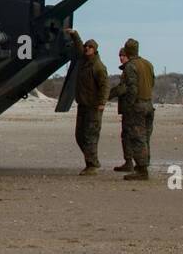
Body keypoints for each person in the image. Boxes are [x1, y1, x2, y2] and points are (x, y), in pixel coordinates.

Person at [109, 38, 155, 182]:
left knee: (137, 138)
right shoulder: (147, 64)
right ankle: (142, 166)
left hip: (137, 107)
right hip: (148, 104)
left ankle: (142, 170)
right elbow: (152, 82)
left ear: (127, 50)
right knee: (145, 137)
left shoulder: (130, 66)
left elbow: (132, 89)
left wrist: (129, 106)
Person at [64, 28, 109, 174]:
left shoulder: (99, 67)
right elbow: (78, 46)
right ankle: (92, 161)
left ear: (95, 50)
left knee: (90, 136)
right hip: (83, 105)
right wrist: (74, 34)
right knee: (80, 136)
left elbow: (105, 86)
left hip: (93, 107)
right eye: (86, 47)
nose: (87, 49)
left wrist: (102, 102)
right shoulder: (83, 60)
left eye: (90, 47)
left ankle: (92, 165)